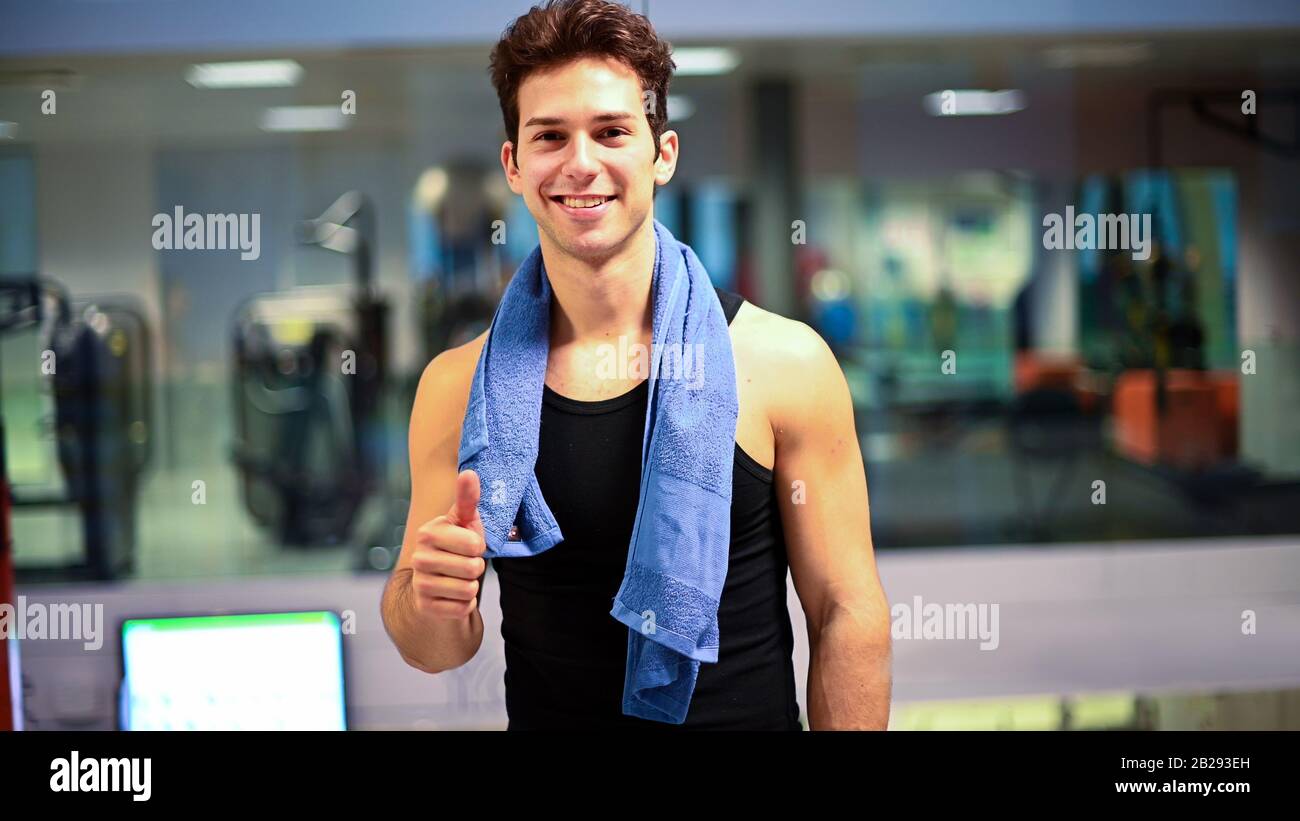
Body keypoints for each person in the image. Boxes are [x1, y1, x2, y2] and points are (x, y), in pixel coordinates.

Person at [381, 0, 891, 729]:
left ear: (663, 155)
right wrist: (430, 599)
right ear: (515, 167)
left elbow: (845, 609)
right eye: (550, 136)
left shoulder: (783, 365)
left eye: (612, 131)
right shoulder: (457, 387)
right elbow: (434, 646)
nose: (580, 163)